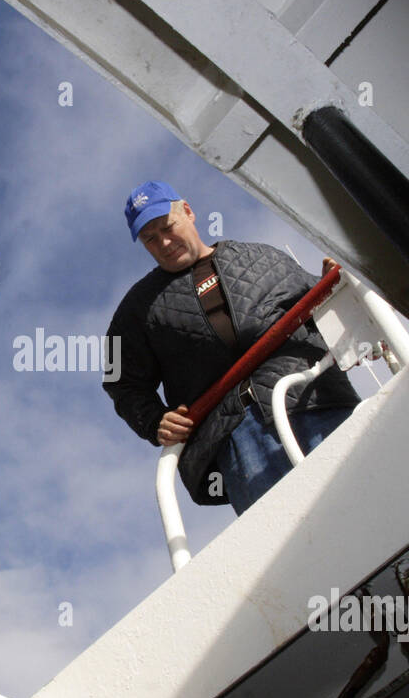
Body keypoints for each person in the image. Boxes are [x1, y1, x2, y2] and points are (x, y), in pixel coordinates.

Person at [103, 180, 360, 515]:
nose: (164, 242)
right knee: (287, 541)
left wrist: (333, 289)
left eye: (167, 227)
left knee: (365, 499)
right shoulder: (135, 309)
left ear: (189, 213)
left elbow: (323, 311)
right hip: (237, 439)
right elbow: (117, 379)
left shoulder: (262, 256)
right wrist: (154, 421)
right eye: (150, 238)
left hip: (317, 402)